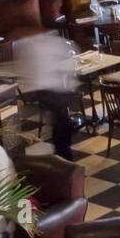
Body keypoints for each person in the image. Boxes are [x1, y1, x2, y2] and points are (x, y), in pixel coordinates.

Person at [9, 29, 79, 160]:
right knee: (61, 120)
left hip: (53, 89)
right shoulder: (38, 45)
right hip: (49, 90)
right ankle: (63, 153)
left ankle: (62, 151)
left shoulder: (37, 45)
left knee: (61, 121)